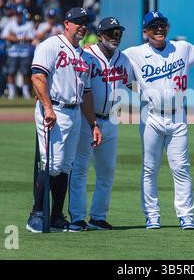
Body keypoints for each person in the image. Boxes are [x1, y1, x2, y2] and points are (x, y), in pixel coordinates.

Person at [123, 11, 194, 230]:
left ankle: (186, 216)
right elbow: (114, 65)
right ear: (145, 32)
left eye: (162, 24)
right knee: (149, 168)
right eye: (153, 26)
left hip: (178, 116)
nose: (159, 29)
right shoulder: (133, 53)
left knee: (181, 168)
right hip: (151, 116)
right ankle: (152, 216)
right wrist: (138, 92)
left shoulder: (181, 48)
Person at [26, 7, 102, 233]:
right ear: (66, 23)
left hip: (75, 112)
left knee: (66, 167)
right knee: (51, 164)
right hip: (54, 110)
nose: (81, 26)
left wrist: (93, 124)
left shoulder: (84, 55)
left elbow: (86, 93)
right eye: (77, 21)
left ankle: (57, 216)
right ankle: (36, 215)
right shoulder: (50, 45)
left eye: (85, 22)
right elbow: (37, 77)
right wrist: (48, 108)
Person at [68, 17, 135, 231]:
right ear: (100, 35)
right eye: (110, 33)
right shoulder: (86, 55)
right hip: (86, 119)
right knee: (79, 169)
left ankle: (97, 217)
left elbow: (134, 84)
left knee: (107, 171)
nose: (115, 37)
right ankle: (77, 218)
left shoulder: (124, 60)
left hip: (111, 120)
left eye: (118, 33)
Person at [1, 5, 35, 99]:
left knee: (25, 73)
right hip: (13, 52)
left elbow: (32, 37)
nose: (18, 16)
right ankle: (11, 92)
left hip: (24, 52)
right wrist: (13, 38)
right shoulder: (10, 23)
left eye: (20, 14)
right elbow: (3, 35)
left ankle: (25, 91)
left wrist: (20, 38)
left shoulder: (28, 24)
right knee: (11, 72)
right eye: (17, 14)